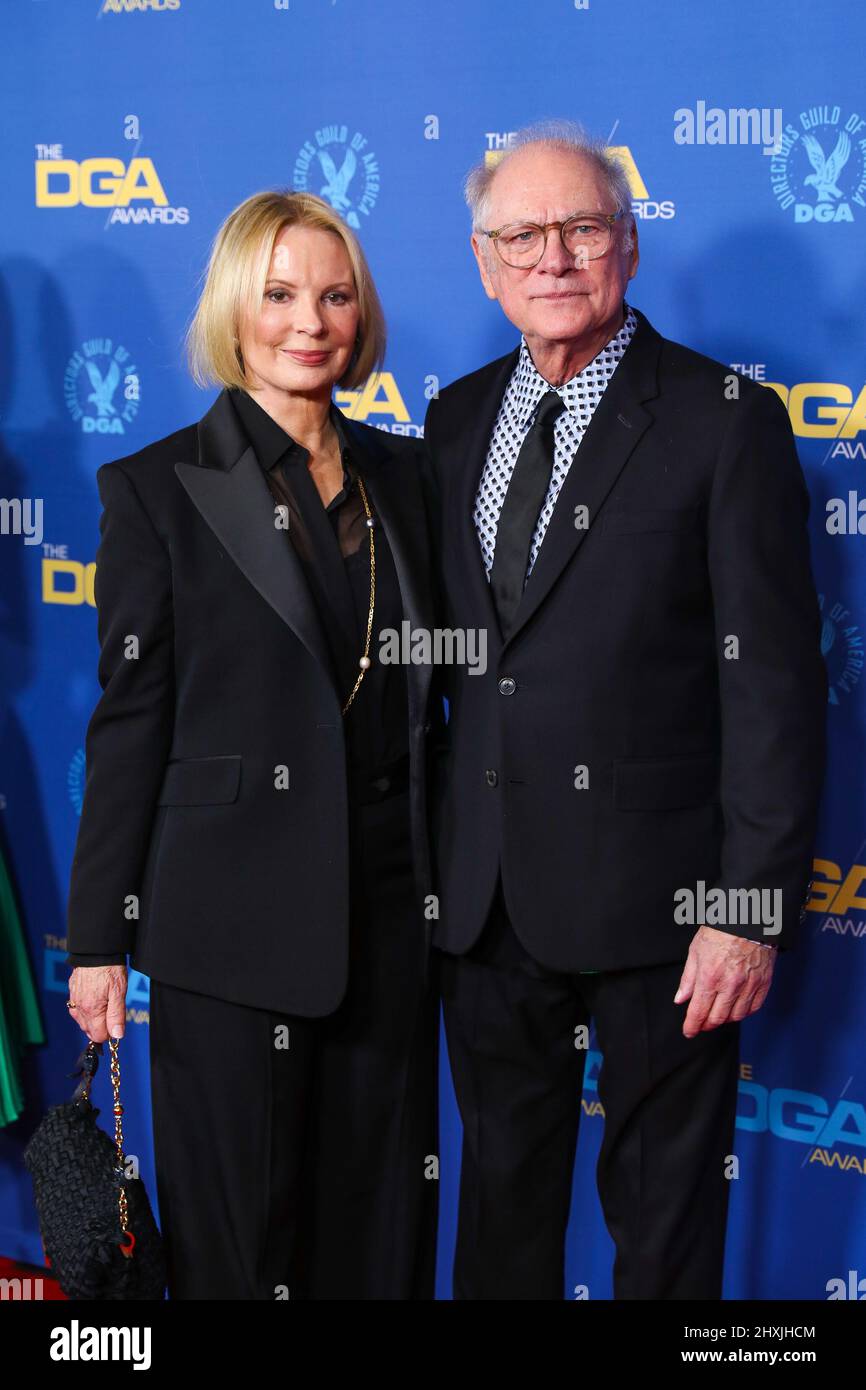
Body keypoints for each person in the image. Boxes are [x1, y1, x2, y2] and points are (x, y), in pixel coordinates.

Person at [424, 120, 827, 1300]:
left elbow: (774, 682)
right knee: (500, 1213)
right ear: (482, 260)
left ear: (627, 246)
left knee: (662, 1236)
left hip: (669, 920)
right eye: (519, 235)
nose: (550, 257)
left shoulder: (721, 419)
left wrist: (746, 908)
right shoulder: (452, 421)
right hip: (486, 906)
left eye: (579, 227)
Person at [65, 190, 441, 1300]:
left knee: (377, 1234)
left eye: (333, 295)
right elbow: (130, 720)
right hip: (224, 930)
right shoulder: (154, 489)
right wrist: (98, 938)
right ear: (235, 306)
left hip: (387, 920)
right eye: (278, 294)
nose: (308, 321)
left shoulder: (406, 477)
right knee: (239, 1246)